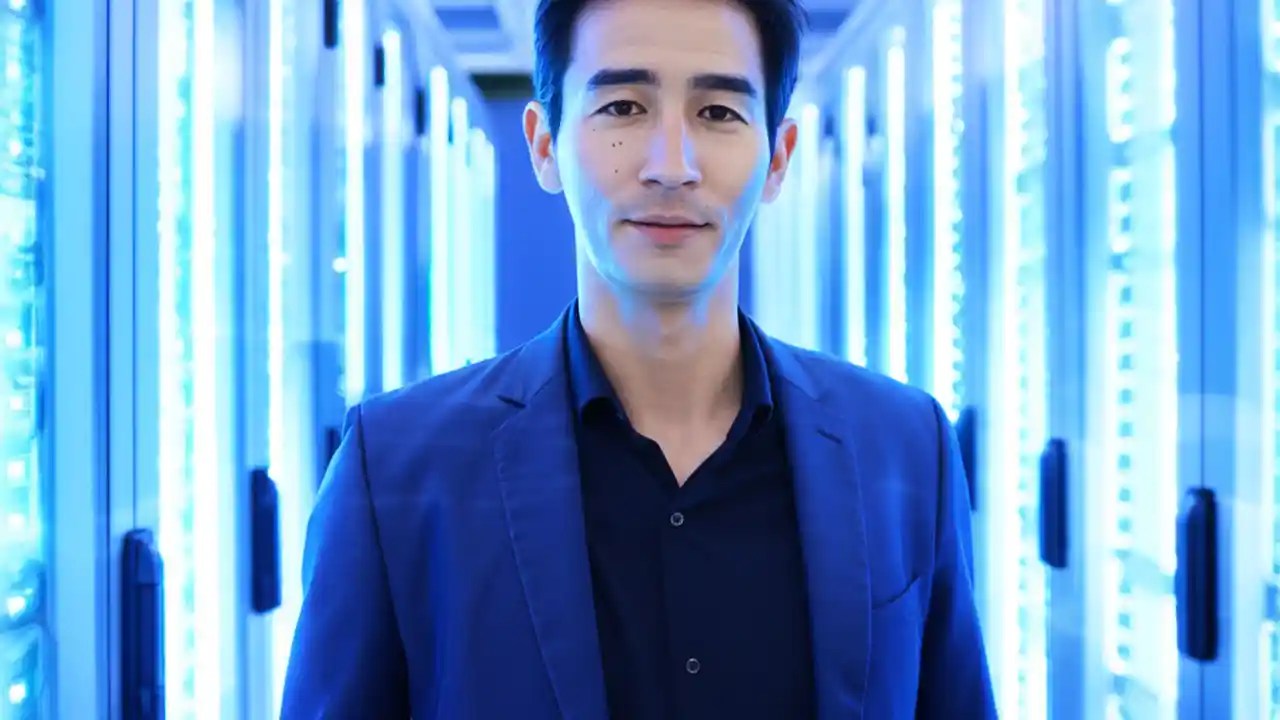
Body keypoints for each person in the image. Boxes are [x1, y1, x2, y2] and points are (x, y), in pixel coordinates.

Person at [281, 0, 997, 717]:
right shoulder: (400, 468)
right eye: (624, 107)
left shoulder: (904, 450)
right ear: (544, 145)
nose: (672, 165)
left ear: (777, 158)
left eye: (718, 113)